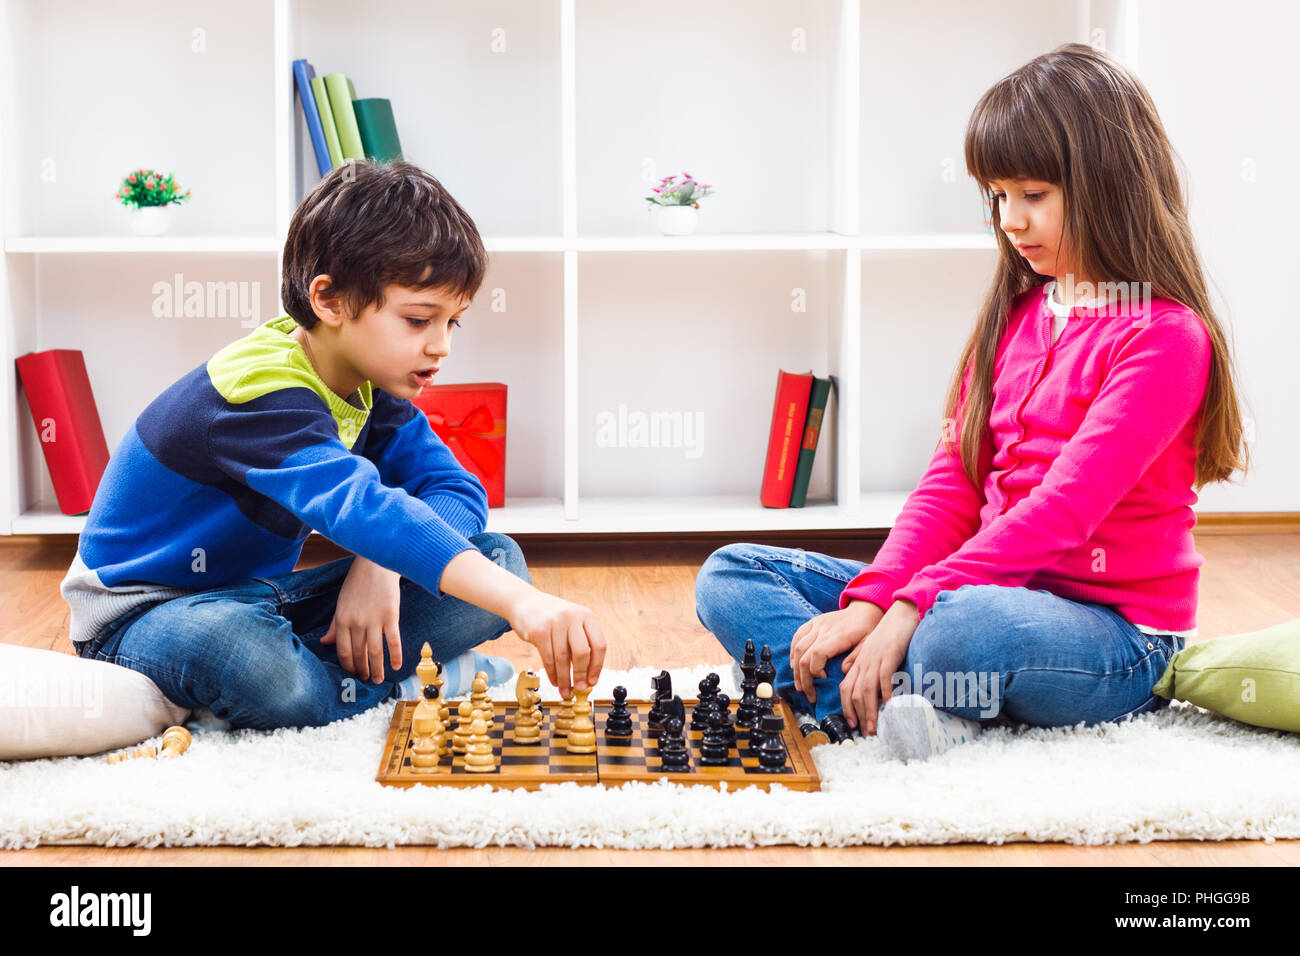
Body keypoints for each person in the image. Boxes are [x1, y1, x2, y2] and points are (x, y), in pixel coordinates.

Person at [695, 43, 1250, 761]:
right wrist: (876, 599)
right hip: (970, 586)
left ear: (1109, 183)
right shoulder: (1015, 317)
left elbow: (1064, 510)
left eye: (1033, 195)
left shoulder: (1165, 336)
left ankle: (892, 696)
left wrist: (911, 607)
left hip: (1112, 635)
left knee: (957, 634)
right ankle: (888, 708)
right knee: (731, 576)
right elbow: (951, 485)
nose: (1010, 221)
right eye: (997, 196)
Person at [62, 161, 605, 730]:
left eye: (453, 322)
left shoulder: (370, 382)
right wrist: (520, 605)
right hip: (145, 616)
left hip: (264, 601)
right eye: (418, 320)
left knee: (499, 561)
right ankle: (403, 683)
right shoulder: (259, 388)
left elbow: (454, 489)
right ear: (329, 300)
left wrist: (381, 564)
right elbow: (358, 506)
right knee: (251, 659)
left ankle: (308, 687)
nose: (441, 346)